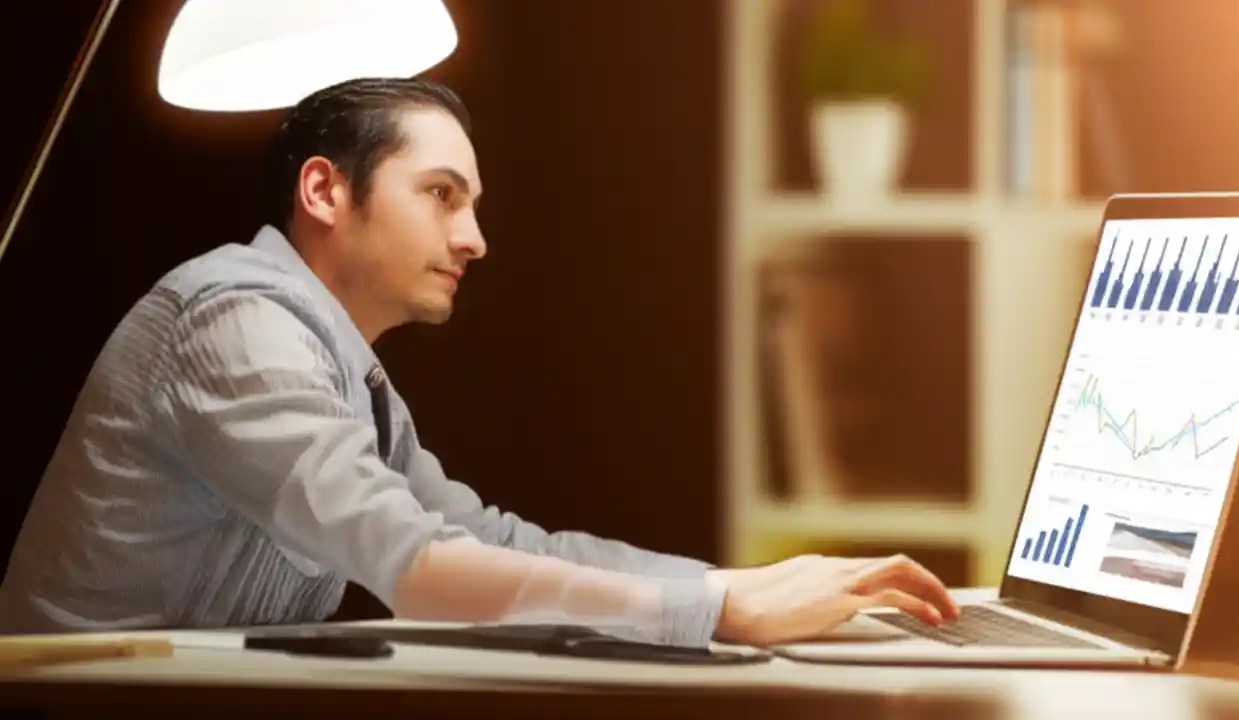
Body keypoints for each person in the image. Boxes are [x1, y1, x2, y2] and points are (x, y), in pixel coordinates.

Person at [0, 77, 959, 646]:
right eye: (442, 195)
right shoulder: (235, 321)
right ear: (326, 191)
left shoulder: (344, 373)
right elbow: (416, 567)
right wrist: (715, 611)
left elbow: (488, 541)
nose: (475, 238)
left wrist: (738, 584)